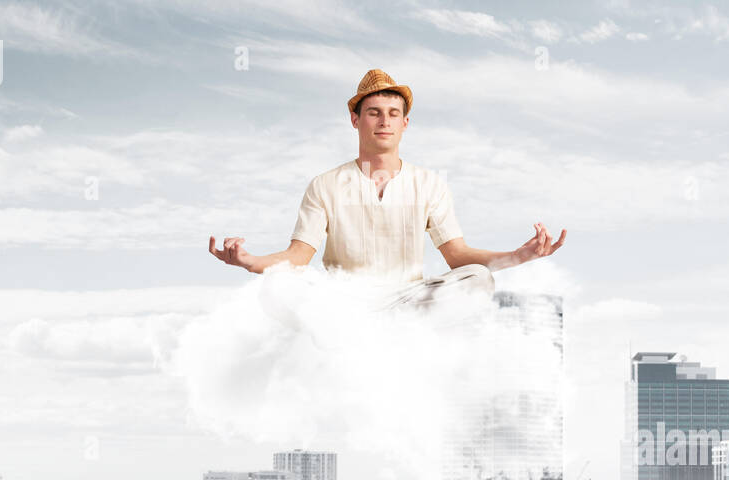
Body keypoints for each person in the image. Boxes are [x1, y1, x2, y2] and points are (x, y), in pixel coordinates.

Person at [208, 69, 567, 317]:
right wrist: (247, 260)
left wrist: (519, 255)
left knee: (478, 280)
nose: (384, 121)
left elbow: (457, 257)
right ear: (355, 119)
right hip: (343, 302)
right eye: (374, 113)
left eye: (393, 114)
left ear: (404, 123)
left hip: (408, 302)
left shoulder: (429, 184)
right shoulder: (325, 185)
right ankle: (344, 337)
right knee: (277, 289)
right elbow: (298, 257)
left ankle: (401, 340)